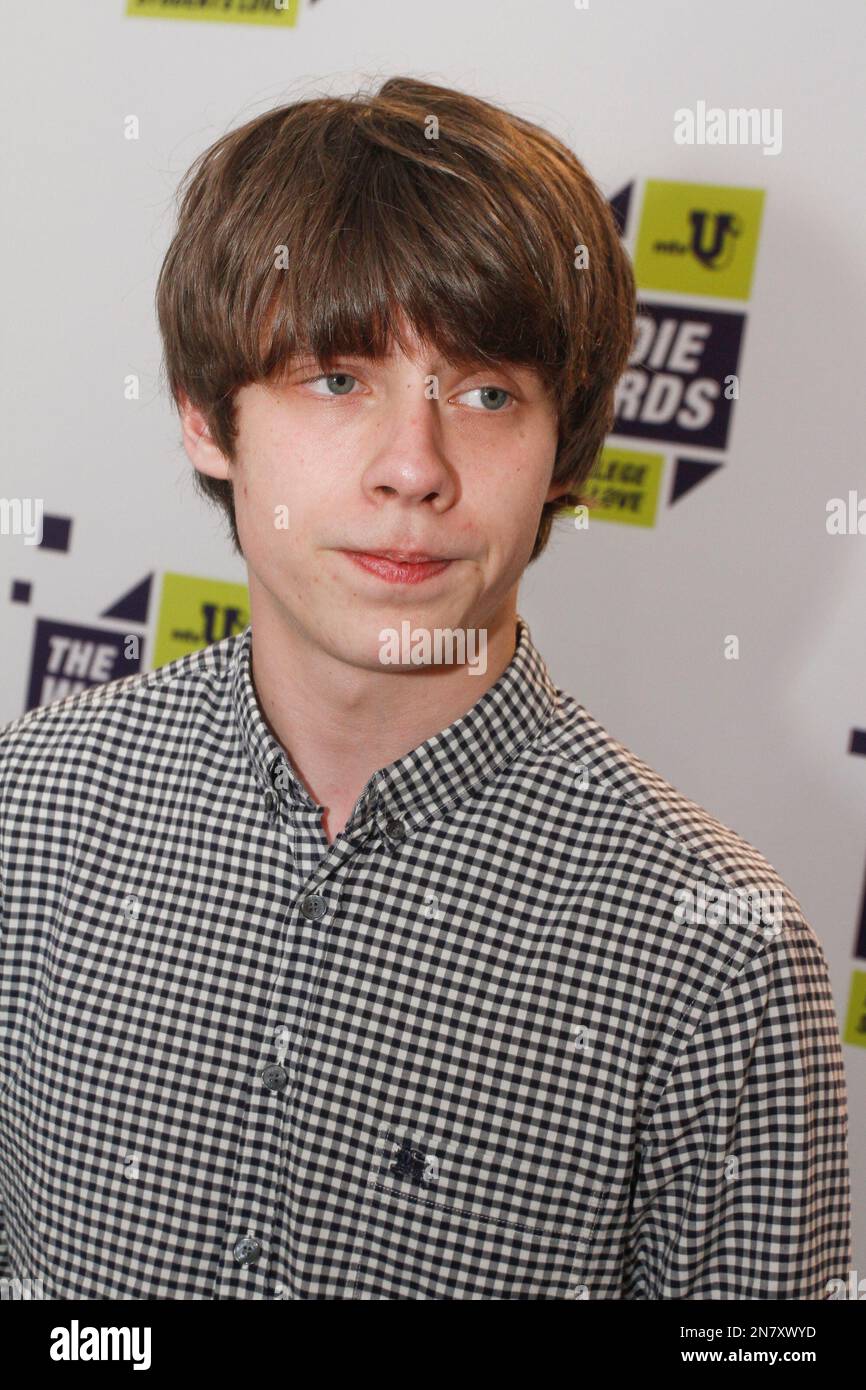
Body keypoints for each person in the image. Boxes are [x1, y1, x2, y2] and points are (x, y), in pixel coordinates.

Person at [0, 75, 850, 1300]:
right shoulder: (29, 812)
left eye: (488, 393)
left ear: (565, 453)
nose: (414, 468)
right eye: (336, 380)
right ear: (203, 416)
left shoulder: (710, 949)